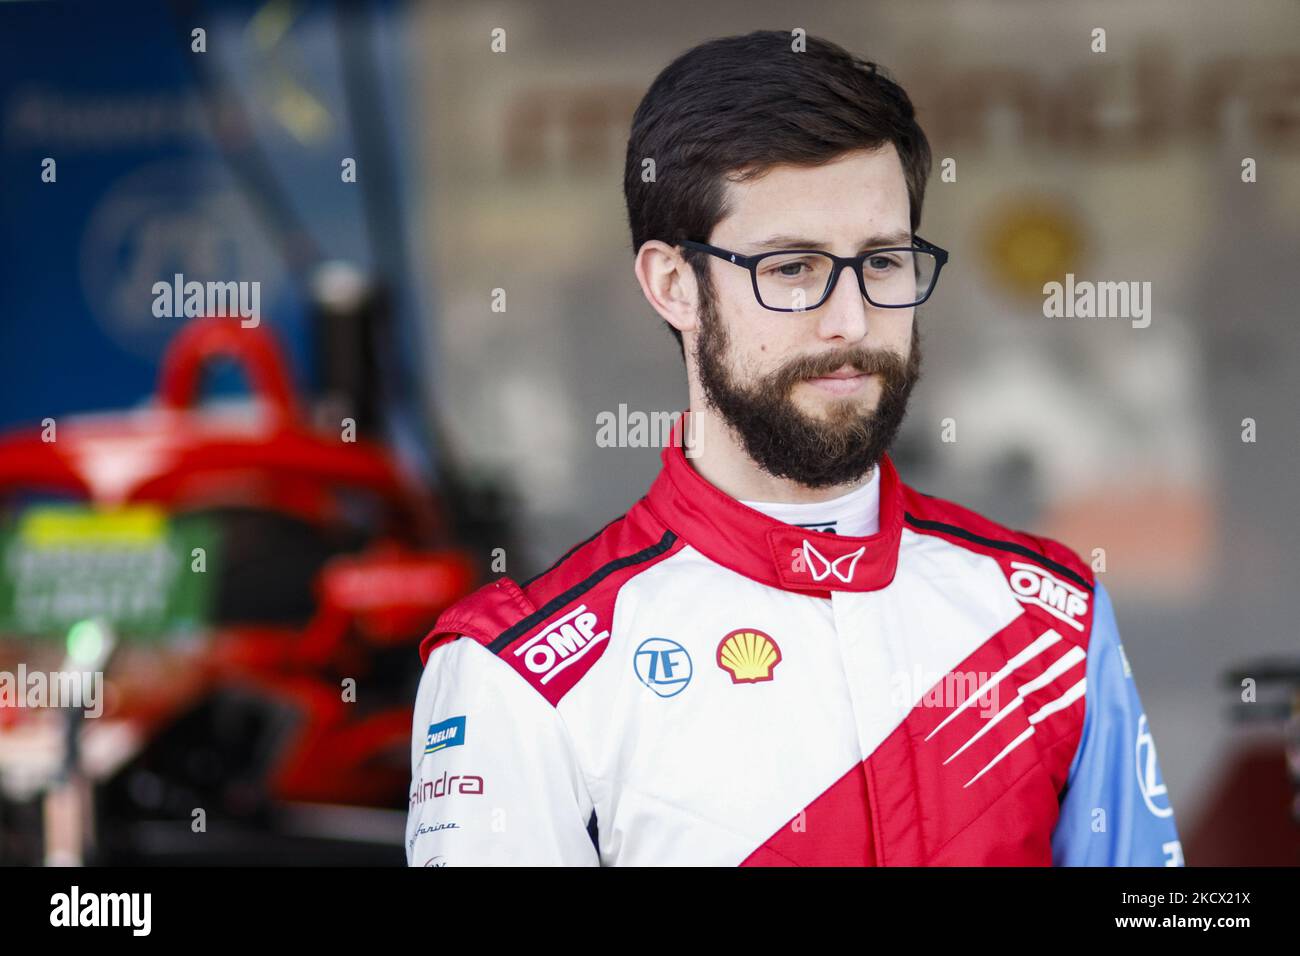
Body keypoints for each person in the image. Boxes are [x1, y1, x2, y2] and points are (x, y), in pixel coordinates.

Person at [405, 30, 1183, 867]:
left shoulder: (1052, 621)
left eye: (882, 261)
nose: (850, 320)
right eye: (792, 269)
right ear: (674, 286)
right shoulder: (521, 677)